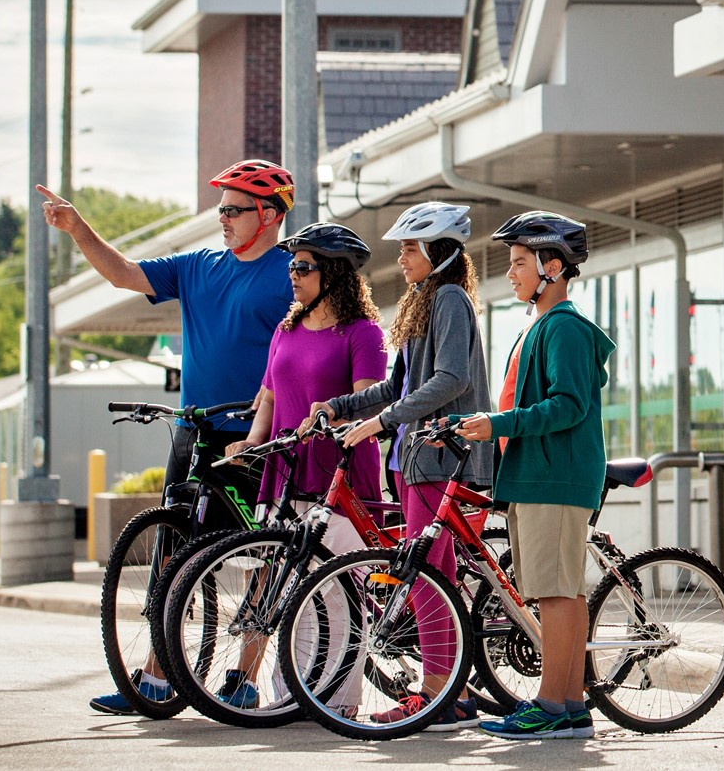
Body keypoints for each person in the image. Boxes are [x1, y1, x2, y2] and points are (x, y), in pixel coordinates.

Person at [40, 159, 297, 716]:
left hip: (254, 436)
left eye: (234, 208)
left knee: (259, 557)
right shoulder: (198, 266)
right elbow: (123, 274)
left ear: (270, 214)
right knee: (170, 557)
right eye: (220, 208)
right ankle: (156, 679)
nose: (222, 218)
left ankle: (245, 676)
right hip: (194, 431)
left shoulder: (291, 274)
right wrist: (78, 227)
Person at [315, 201, 493, 731]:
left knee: (427, 578)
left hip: (443, 454)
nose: (402, 254)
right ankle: (445, 691)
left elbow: (452, 379)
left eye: (411, 246)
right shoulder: (421, 300)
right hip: (416, 458)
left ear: (438, 252)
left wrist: (382, 423)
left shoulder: (452, 300)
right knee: (426, 578)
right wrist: (342, 407)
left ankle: (441, 696)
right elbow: (401, 385)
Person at [218, 222, 388, 711]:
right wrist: (252, 443)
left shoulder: (363, 333)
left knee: (337, 593)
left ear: (333, 274)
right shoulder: (285, 329)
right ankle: (291, 695)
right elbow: (268, 395)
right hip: (284, 470)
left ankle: (338, 701)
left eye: (303, 266)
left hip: (339, 474)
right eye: (292, 265)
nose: (293, 274)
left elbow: (365, 400)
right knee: (284, 589)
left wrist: (328, 418)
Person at [457, 211, 612, 742]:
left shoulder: (564, 327)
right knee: (560, 592)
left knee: (555, 593)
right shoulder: (543, 325)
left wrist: (497, 424)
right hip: (541, 477)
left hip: (556, 479)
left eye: (520, 263)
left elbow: (567, 406)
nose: (511, 273)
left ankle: (551, 704)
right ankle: (568, 706)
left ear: (553, 267)